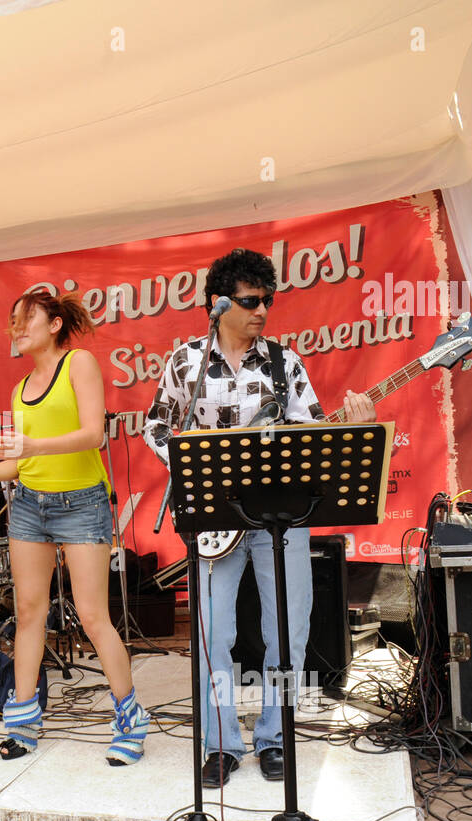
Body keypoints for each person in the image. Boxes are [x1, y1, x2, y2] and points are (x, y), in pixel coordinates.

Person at [143, 248, 374, 787]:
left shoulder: (284, 362)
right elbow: (157, 427)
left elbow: (315, 433)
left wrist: (356, 422)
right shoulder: (186, 362)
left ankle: (275, 736)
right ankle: (221, 743)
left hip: (283, 521)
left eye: (267, 300)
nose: (262, 311)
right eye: (249, 301)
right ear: (217, 304)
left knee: (287, 635)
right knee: (211, 634)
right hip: (214, 524)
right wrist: (190, 467)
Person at [0, 289, 150, 766]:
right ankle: (22, 722)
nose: (17, 329)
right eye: (13, 323)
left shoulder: (79, 363)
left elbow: (93, 434)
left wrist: (32, 446)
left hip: (81, 503)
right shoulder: (20, 389)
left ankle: (130, 719)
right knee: (28, 612)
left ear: (55, 324)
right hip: (30, 506)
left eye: (26, 320)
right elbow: (23, 464)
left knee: (92, 615)